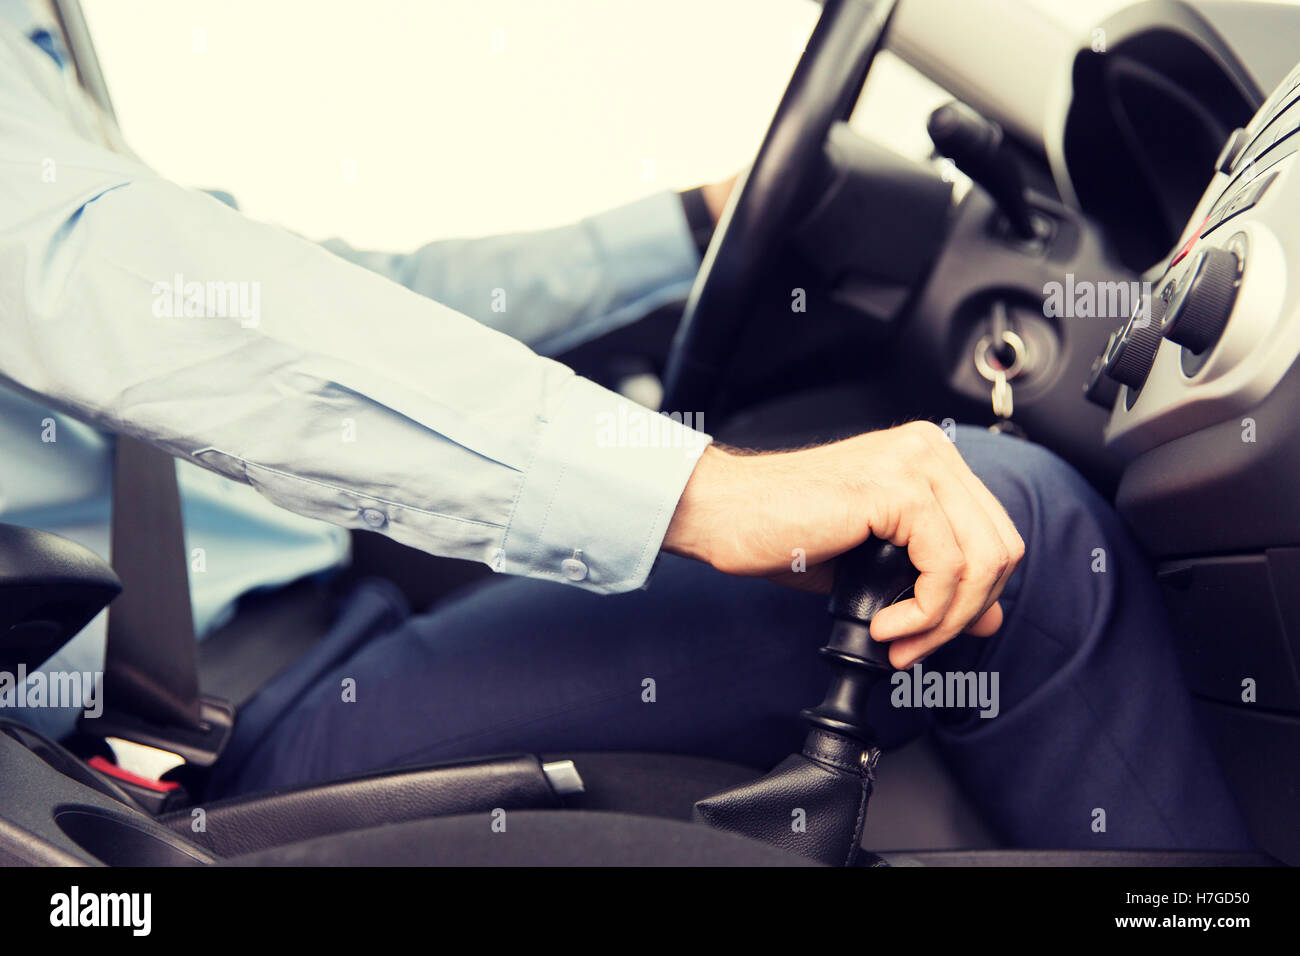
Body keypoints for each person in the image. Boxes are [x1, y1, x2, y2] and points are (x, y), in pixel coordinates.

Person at [0, 4, 1253, 851]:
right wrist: (705, 492)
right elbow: (102, 274)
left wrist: (689, 223)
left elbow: (311, 295)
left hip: (291, 645)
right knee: (1008, 544)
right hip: (168, 751)